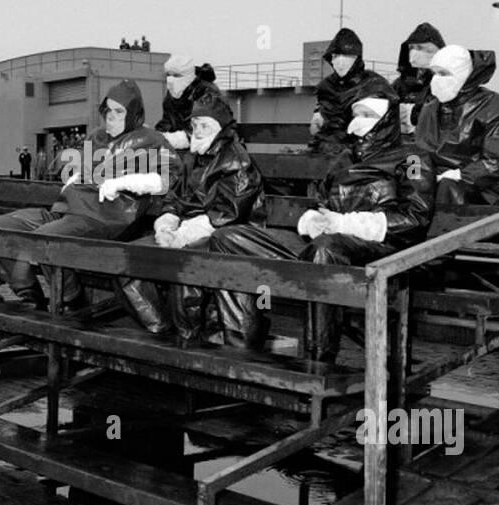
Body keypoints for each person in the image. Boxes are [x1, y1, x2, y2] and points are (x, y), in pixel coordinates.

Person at [209, 95, 435, 356]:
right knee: (229, 238)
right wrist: (313, 219)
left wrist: (345, 223)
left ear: (386, 119)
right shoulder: (345, 158)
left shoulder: (412, 158)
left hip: (381, 251)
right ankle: (241, 351)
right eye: (357, 113)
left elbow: (415, 217)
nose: (359, 121)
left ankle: (318, 363)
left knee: (324, 251)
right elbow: (320, 201)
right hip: (323, 244)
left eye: (368, 115)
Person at [0, 81, 174, 311]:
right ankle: (30, 296)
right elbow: (80, 172)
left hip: (103, 217)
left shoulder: (152, 140)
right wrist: (74, 180)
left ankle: (72, 300)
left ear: (134, 113)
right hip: (66, 211)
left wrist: (128, 182)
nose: (110, 117)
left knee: (46, 240)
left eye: (119, 111)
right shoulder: (96, 138)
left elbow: (169, 176)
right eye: (108, 110)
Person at [119, 92, 262, 343]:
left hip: (224, 238)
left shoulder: (237, 160)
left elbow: (228, 215)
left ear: (220, 128)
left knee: (186, 264)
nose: (197, 130)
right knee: (126, 260)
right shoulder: (193, 159)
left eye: (204, 125)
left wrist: (182, 235)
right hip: (184, 232)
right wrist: (167, 222)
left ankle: (189, 337)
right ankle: (162, 330)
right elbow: (174, 198)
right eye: (194, 125)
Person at [413, 45, 499, 211]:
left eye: (444, 73)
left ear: (464, 75)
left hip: (485, 189)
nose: (436, 80)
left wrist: (460, 175)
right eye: (434, 73)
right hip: (438, 179)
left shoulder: (495, 108)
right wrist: (412, 176)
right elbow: (416, 153)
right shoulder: (429, 109)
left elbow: (495, 161)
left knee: (448, 188)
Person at [309, 28, 394, 170]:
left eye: (346, 55)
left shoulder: (374, 84)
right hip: (331, 151)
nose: (340, 61)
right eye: (335, 56)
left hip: (365, 152)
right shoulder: (326, 86)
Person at [156, 56, 223, 151]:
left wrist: (175, 139)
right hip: (182, 149)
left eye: (176, 75)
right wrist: (157, 134)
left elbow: (205, 129)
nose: (170, 79)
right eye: (168, 75)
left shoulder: (206, 92)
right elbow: (168, 120)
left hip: (209, 152)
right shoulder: (173, 93)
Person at [392, 22, 445, 134]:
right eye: (412, 47)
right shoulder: (399, 85)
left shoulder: (446, 84)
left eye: (421, 47)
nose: (415, 52)